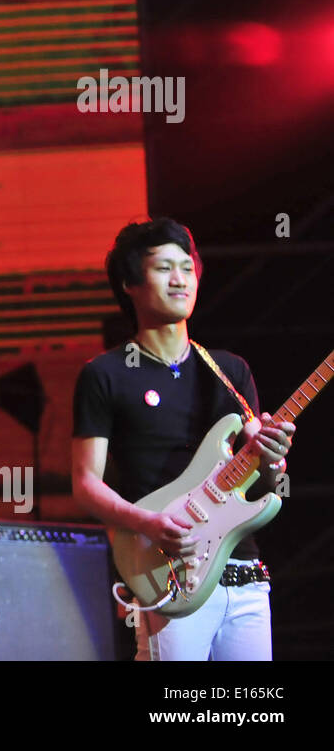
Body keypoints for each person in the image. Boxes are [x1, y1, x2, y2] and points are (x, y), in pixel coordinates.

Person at [71, 217, 293, 660]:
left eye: (187, 268)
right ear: (130, 283)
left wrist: (272, 459)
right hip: (168, 572)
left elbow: (263, 487)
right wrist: (148, 523)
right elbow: (85, 484)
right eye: (163, 268)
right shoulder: (105, 375)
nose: (180, 280)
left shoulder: (229, 372)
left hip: (246, 577)